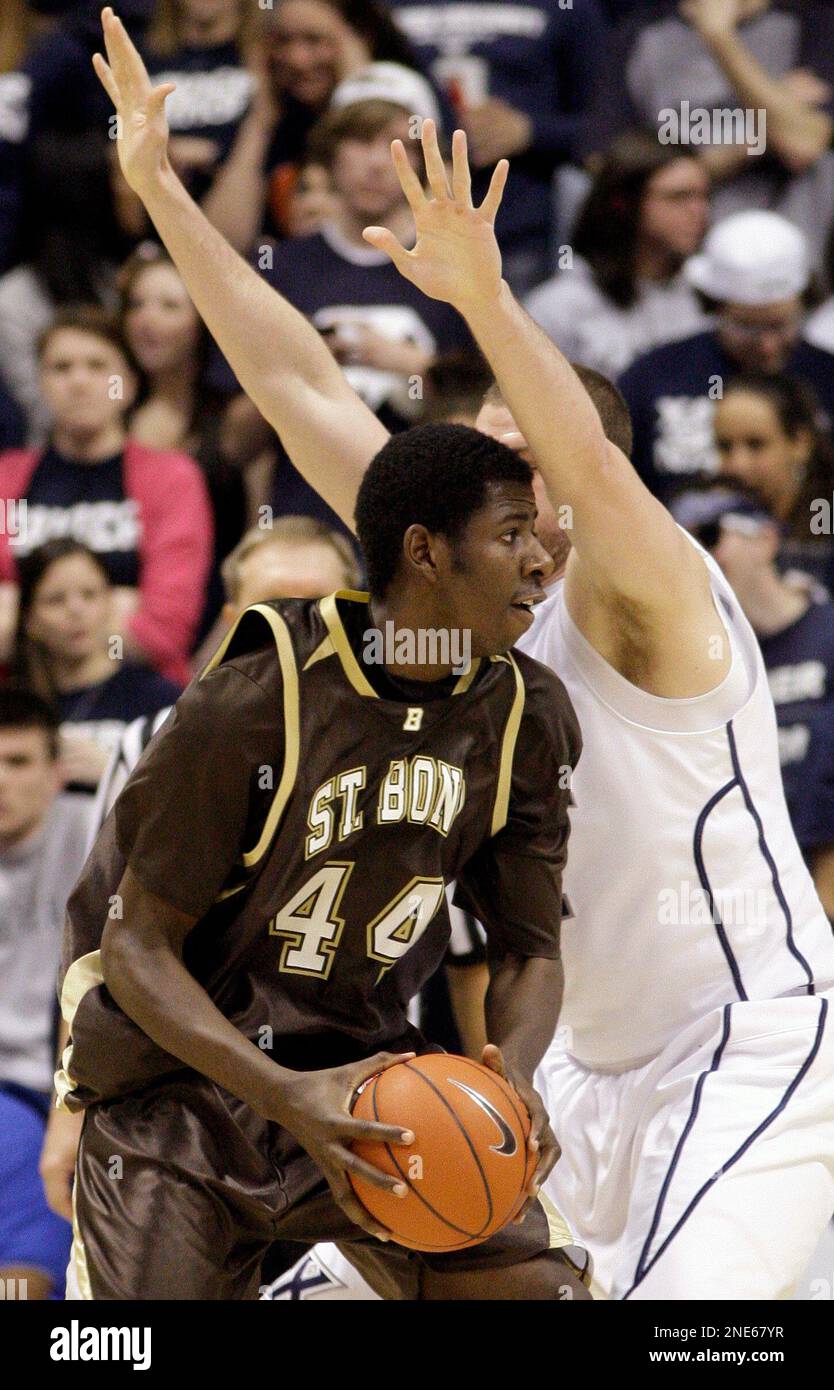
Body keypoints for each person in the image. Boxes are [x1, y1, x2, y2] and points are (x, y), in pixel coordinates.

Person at [94, 10, 834, 1300]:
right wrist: (161, 189)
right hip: (565, 1074)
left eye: (520, 458)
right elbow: (300, 383)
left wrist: (483, 296)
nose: (496, 478)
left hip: (743, 1044)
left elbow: (592, 464)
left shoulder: (657, 593)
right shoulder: (472, 599)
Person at [0, 304, 214, 685]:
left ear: (129, 384)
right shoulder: (6, 477)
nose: (79, 381)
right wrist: (115, 604)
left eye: (98, 366)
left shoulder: (172, 477)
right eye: (61, 368)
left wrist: (26, 613)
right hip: (20, 706)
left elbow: (165, 633)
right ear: (41, 382)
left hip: (139, 701)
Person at [674, 484, 834, 922]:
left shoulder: (828, 634)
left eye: (709, 535)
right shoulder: (696, 664)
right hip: (747, 900)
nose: (697, 557)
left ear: (765, 540)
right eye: (680, 543)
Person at [583, 0, 834, 271]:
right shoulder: (642, 31)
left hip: (789, 261)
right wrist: (761, 133)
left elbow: (802, 144)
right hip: (674, 267)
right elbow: (606, 169)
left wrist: (719, 35)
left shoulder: (813, 23)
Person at [388, 0, 608, 294]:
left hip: (519, 230)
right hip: (400, 218)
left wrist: (530, 131)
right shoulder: (385, 8)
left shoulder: (568, 7)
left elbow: (607, 130)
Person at [618, 210, 834, 505]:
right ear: (713, 307)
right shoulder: (652, 378)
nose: (767, 345)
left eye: (780, 325)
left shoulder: (828, 377)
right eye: (748, 327)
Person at [0, 688, 91, 1300]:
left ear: (57, 772)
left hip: (53, 1095)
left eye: (18, 762)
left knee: (27, 1283)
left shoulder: (95, 836)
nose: (0, 781)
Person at [118, 242, 247, 635]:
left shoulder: (234, 417)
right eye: (136, 305)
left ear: (203, 320)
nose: (147, 320)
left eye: (169, 306)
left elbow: (255, 540)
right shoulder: (109, 413)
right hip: (120, 622)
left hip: (211, 618)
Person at [524, 132, 710, 380]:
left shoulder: (709, 294)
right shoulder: (558, 307)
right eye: (678, 197)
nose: (699, 211)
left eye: (703, 196)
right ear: (622, 203)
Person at [11, 538, 179, 792]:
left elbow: (188, 798)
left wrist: (115, 774)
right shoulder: (15, 705)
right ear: (30, 620)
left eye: (90, 595)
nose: (75, 610)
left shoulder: (161, 698)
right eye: (55, 600)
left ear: (111, 604)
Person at [711, 372, 834, 596]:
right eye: (725, 446)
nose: (737, 465)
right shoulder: (705, 521)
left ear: (800, 443)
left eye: (756, 445)